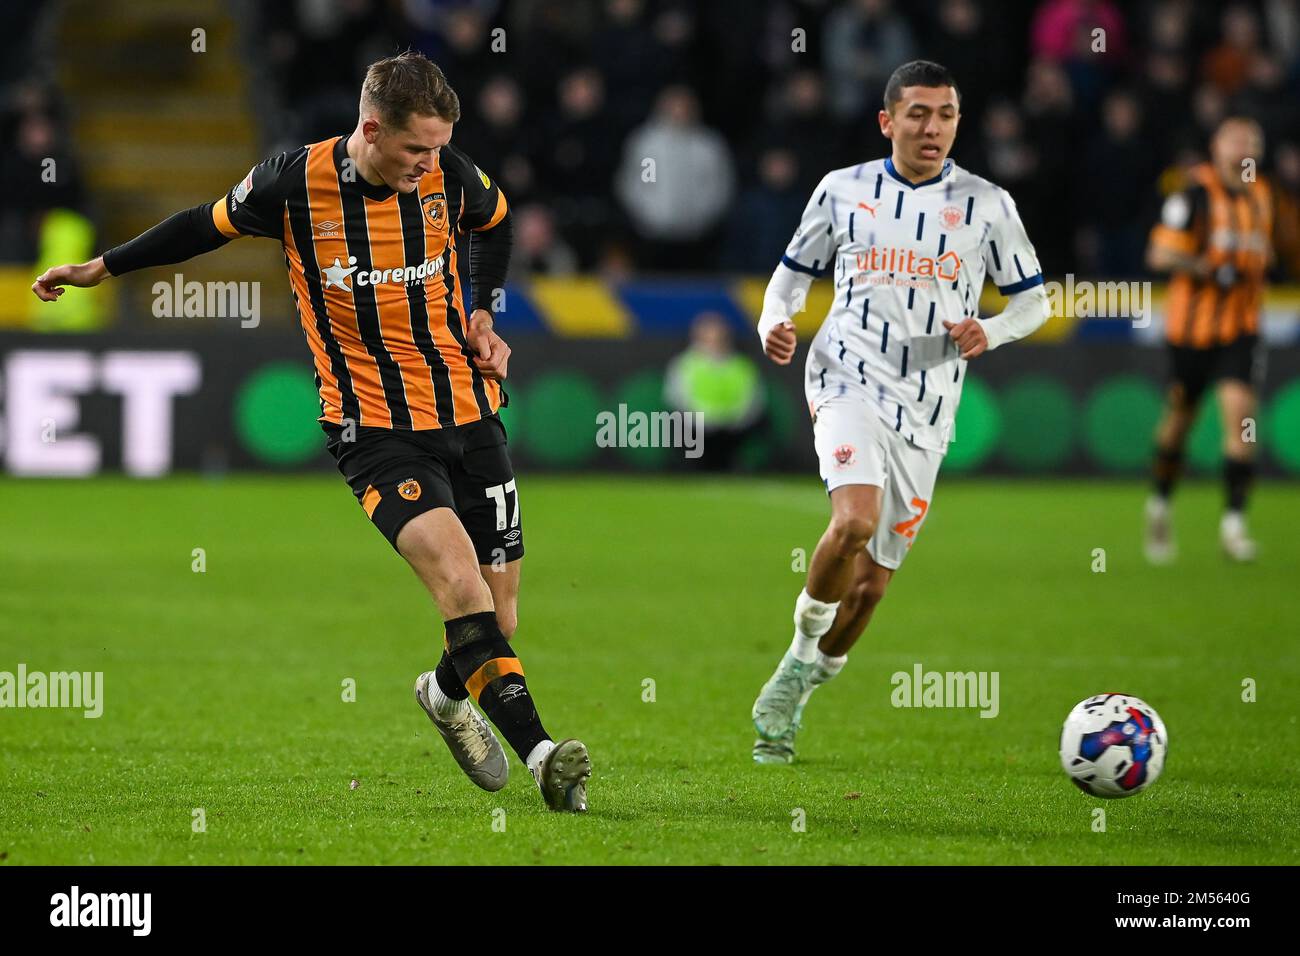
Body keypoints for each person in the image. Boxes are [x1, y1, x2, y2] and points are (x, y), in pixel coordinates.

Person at [31, 51, 591, 811]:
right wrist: (105, 266)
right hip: (374, 431)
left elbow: (495, 223)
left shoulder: (447, 173)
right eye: (417, 150)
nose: (431, 165)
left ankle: (445, 696)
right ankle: (544, 757)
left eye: (438, 149)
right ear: (371, 127)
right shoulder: (293, 182)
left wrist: (485, 309)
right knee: (463, 592)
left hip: (469, 408)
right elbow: (203, 226)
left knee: (501, 616)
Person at [749, 60, 1050, 764]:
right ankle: (797, 656)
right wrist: (774, 322)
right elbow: (789, 279)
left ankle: (807, 680)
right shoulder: (843, 191)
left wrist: (992, 329)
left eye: (945, 114)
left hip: (928, 406)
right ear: (887, 121)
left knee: (871, 591)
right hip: (845, 373)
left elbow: (1033, 299)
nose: (932, 127)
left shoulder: (988, 205)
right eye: (917, 113)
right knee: (851, 519)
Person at [1144, 116, 1275, 564]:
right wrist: (1208, 269)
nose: (1245, 149)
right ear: (1217, 147)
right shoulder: (1192, 193)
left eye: (1252, 142)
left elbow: (1267, 252)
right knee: (1179, 421)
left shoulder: (1262, 195)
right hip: (1189, 333)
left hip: (1241, 330)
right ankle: (1160, 505)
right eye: (1236, 140)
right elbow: (1159, 253)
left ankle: (1234, 526)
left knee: (1241, 419)